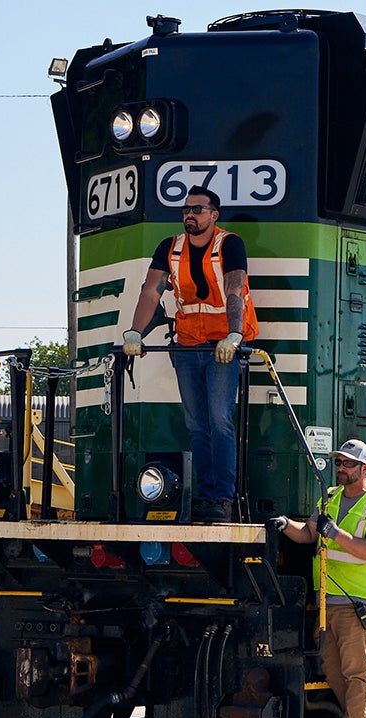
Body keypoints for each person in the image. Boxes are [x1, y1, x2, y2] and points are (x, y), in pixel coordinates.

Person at [121, 185, 258, 522]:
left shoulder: (230, 244)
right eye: (186, 210)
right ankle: (205, 497)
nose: (190, 215)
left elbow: (235, 288)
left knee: (220, 421)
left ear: (214, 214)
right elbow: (151, 291)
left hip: (222, 348)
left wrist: (234, 335)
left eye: (198, 209)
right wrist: (135, 332)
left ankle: (222, 499)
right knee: (197, 425)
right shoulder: (169, 247)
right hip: (187, 346)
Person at [269, 439, 366, 718]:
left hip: (358, 603)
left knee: (357, 675)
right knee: (334, 673)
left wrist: (336, 533)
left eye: (348, 463)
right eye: (338, 462)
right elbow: (309, 534)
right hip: (328, 601)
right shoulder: (330, 497)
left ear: (364, 468)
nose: (341, 468)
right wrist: (285, 524)